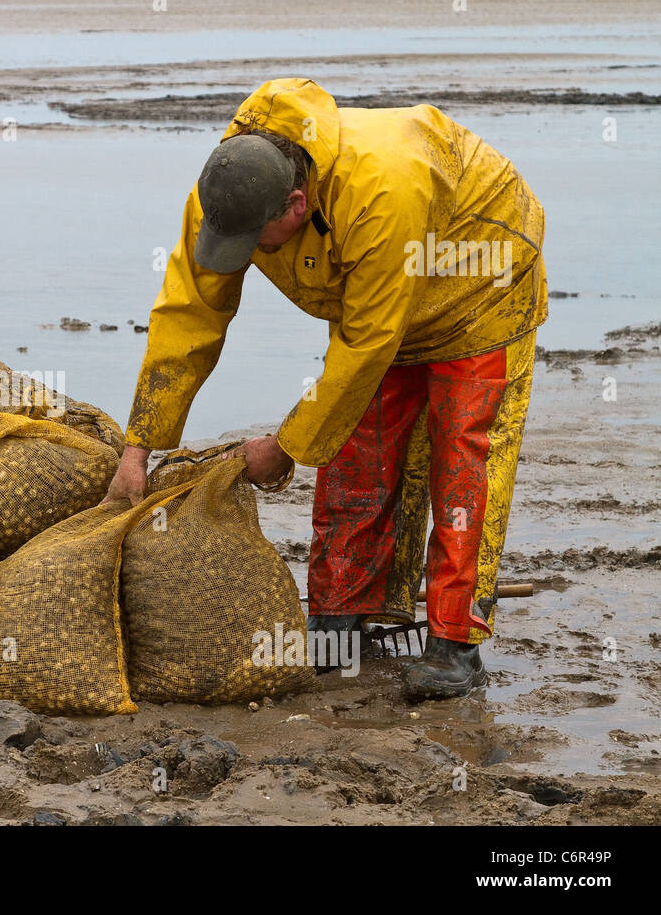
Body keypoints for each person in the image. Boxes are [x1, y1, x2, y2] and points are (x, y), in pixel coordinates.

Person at [103, 78, 547, 701]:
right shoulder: (230, 189)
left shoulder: (378, 191)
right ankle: (341, 622)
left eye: (255, 245)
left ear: (293, 206)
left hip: (478, 278)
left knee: (464, 461)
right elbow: (188, 312)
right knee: (354, 449)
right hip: (385, 289)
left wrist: (283, 446)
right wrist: (138, 446)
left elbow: (365, 346)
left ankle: (455, 644)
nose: (245, 256)